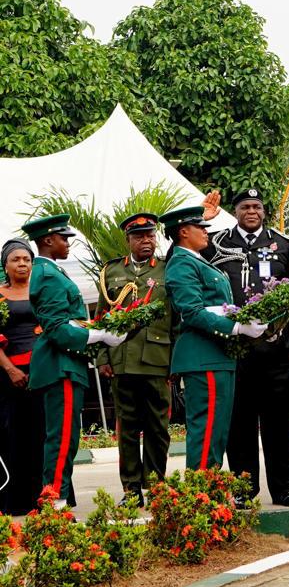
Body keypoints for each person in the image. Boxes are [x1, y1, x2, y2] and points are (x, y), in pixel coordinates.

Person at [201, 189, 289, 508]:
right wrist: (202, 221)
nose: (251, 211)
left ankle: (282, 489)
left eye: (256, 207)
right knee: (240, 424)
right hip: (235, 349)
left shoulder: (282, 244)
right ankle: (244, 489)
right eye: (245, 206)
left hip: (276, 349)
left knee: (280, 423)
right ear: (235, 211)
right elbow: (185, 259)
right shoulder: (216, 242)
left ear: (264, 212)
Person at [22, 214, 125, 508]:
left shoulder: (51, 271)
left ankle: (57, 498)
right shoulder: (48, 275)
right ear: (47, 240)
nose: (68, 243)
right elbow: (57, 328)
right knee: (63, 437)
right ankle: (54, 501)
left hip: (64, 365)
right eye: (63, 238)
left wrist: (97, 329)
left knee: (65, 437)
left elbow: (68, 321)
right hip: (61, 366)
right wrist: (100, 335)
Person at [162, 206, 266, 472]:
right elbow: (191, 312)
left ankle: (210, 483)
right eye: (200, 227)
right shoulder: (182, 263)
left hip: (217, 355)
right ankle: (202, 486)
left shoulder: (196, 260)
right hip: (202, 356)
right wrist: (237, 327)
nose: (206, 232)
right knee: (206, 428)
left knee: (217, 428)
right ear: (184, 232)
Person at [95, 213, 173, 507]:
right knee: (127, 429)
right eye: (139, 236)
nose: (146, 241)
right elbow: (101, 317)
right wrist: (103, 356)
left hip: (157, 358)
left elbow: (176, 319)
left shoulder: (167, 269)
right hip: (122, 359)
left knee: (158, 428)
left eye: (150, 235)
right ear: (128, 239)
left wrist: (175, 361)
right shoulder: (112, 271)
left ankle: (156, 487)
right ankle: (131, 491)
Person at [0, 239, 45, 515]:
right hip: (8, 376)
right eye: (16, 259)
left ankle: (46, 498)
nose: (22, 264)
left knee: (42, 432)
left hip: (43, 372)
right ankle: (14, 502)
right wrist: (10, 370)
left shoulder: (43, 291)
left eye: (27, 259)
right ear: (5, 265)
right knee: (11, 434)